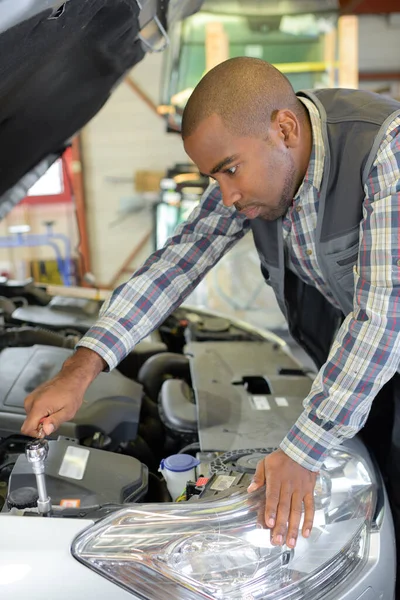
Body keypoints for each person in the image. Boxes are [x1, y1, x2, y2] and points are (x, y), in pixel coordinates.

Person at [22, 57, 400, 562]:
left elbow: (384, 317)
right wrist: (81, 367)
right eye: (212, 176)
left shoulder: (385, 149)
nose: (226, 195)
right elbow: (175, 264)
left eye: (229, 169)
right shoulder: (259, 168)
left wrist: (302, 449)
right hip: (369, 363)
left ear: (285, 129)